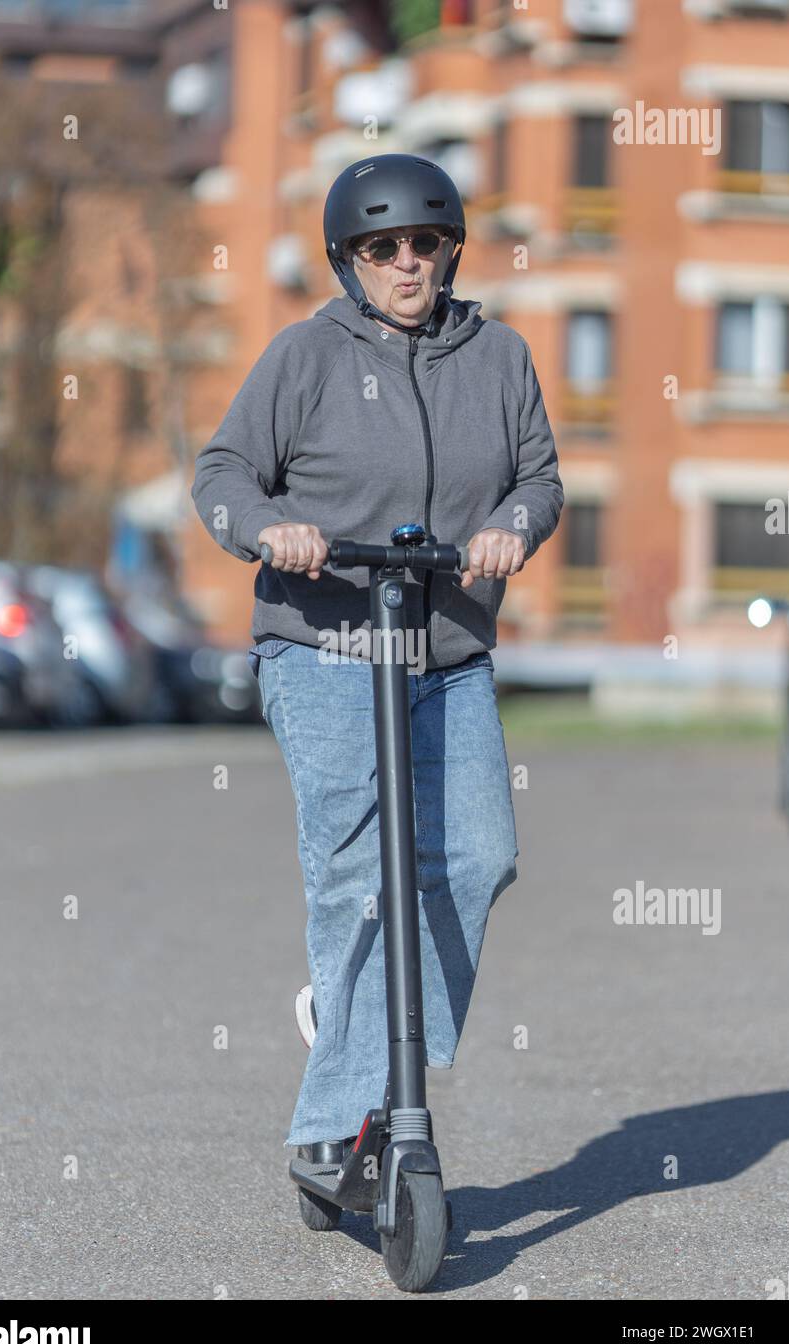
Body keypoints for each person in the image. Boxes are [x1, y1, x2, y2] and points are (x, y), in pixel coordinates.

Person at [191, 153, 564, 1165]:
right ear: (348, 257)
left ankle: (349, 1030)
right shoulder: (303, 356)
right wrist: (270, 530)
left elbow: (537, 477)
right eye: (381, 246)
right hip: (324, 641)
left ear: (450, 249)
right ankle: (332, 1126)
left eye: (423, 244)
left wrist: (508, 530)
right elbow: (221, 472)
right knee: (361, 870)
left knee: (480, 855)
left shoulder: (499, 358)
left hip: (442, 646)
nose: (405, 263)